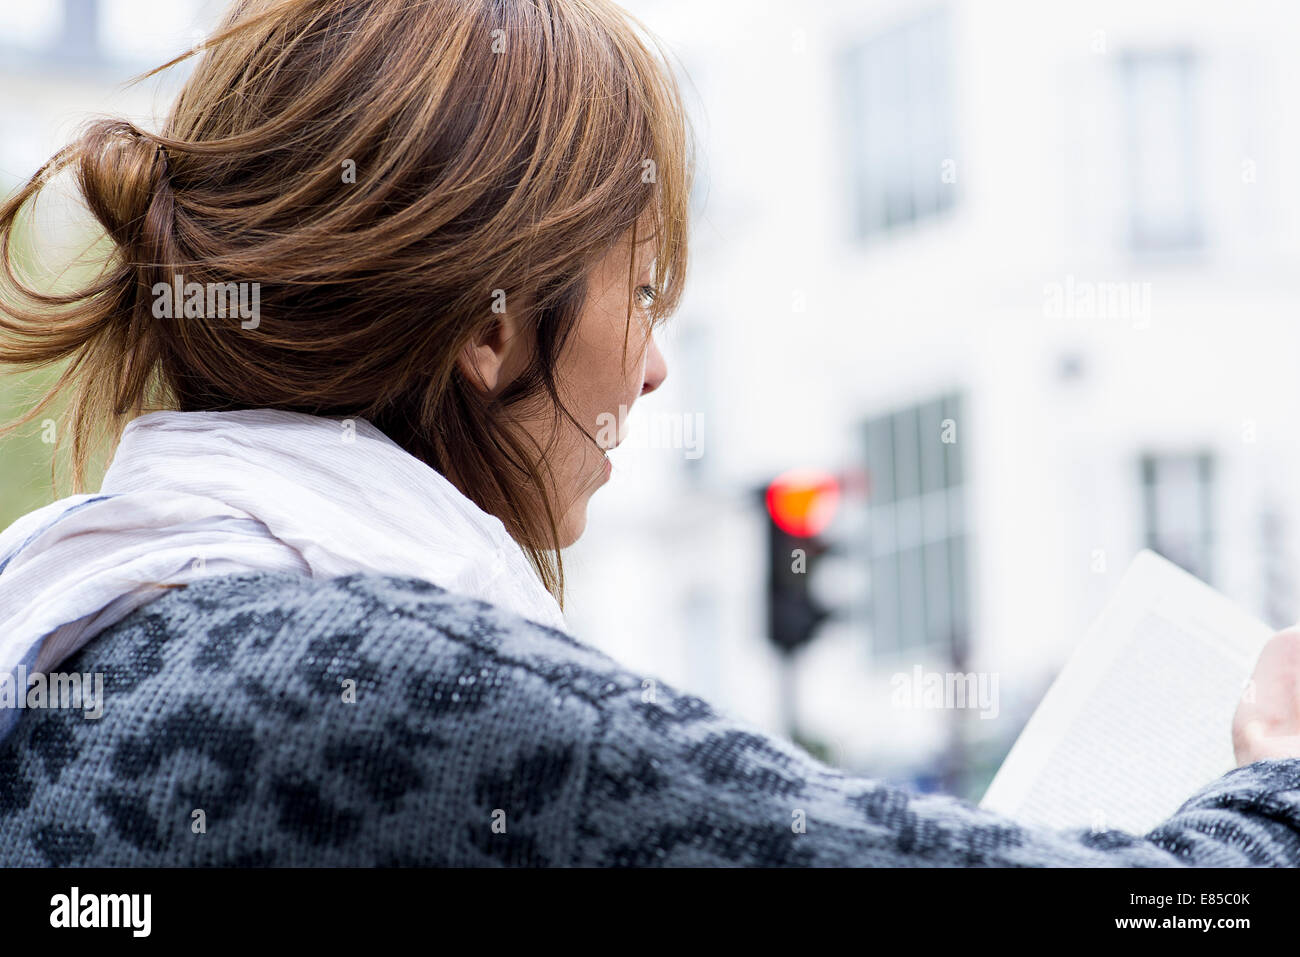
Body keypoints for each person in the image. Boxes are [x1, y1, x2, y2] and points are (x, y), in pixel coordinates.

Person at [0, 0, 1298, 867]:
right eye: (642, 290)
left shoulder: (75, 627)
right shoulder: (421, 692)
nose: (660, 363)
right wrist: (1275, 783)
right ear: (493, 325)